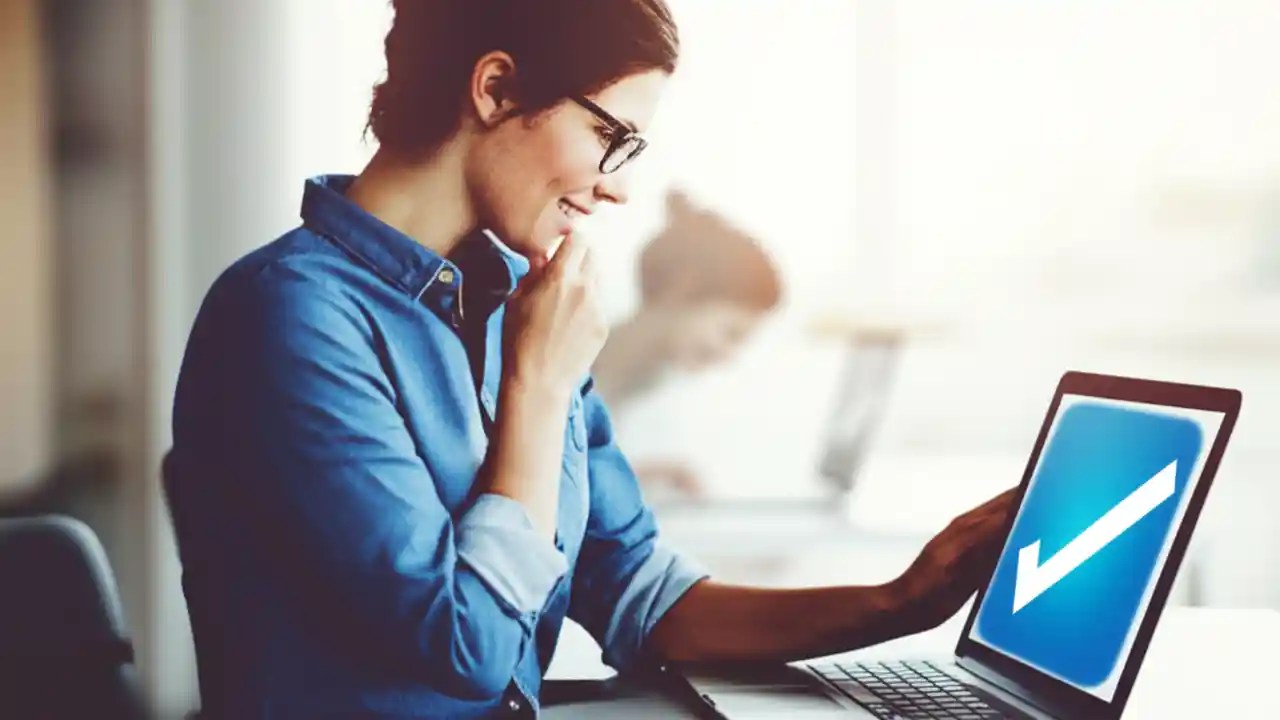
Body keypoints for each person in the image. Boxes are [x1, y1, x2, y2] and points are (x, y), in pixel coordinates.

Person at [164, 1, 1016, 718]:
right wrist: (537, 389)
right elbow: (471, 649)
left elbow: (644, 597)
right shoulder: (289, 316)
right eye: (611, 135)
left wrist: (901, 600)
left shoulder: (516, 307)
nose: (618, 187)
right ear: (496, 89)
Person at [593, 190, 783, 498]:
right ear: (683, 289)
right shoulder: (567, 361)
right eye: (731, 332)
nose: (728, 356)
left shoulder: (641, 382)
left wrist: (636, 474)